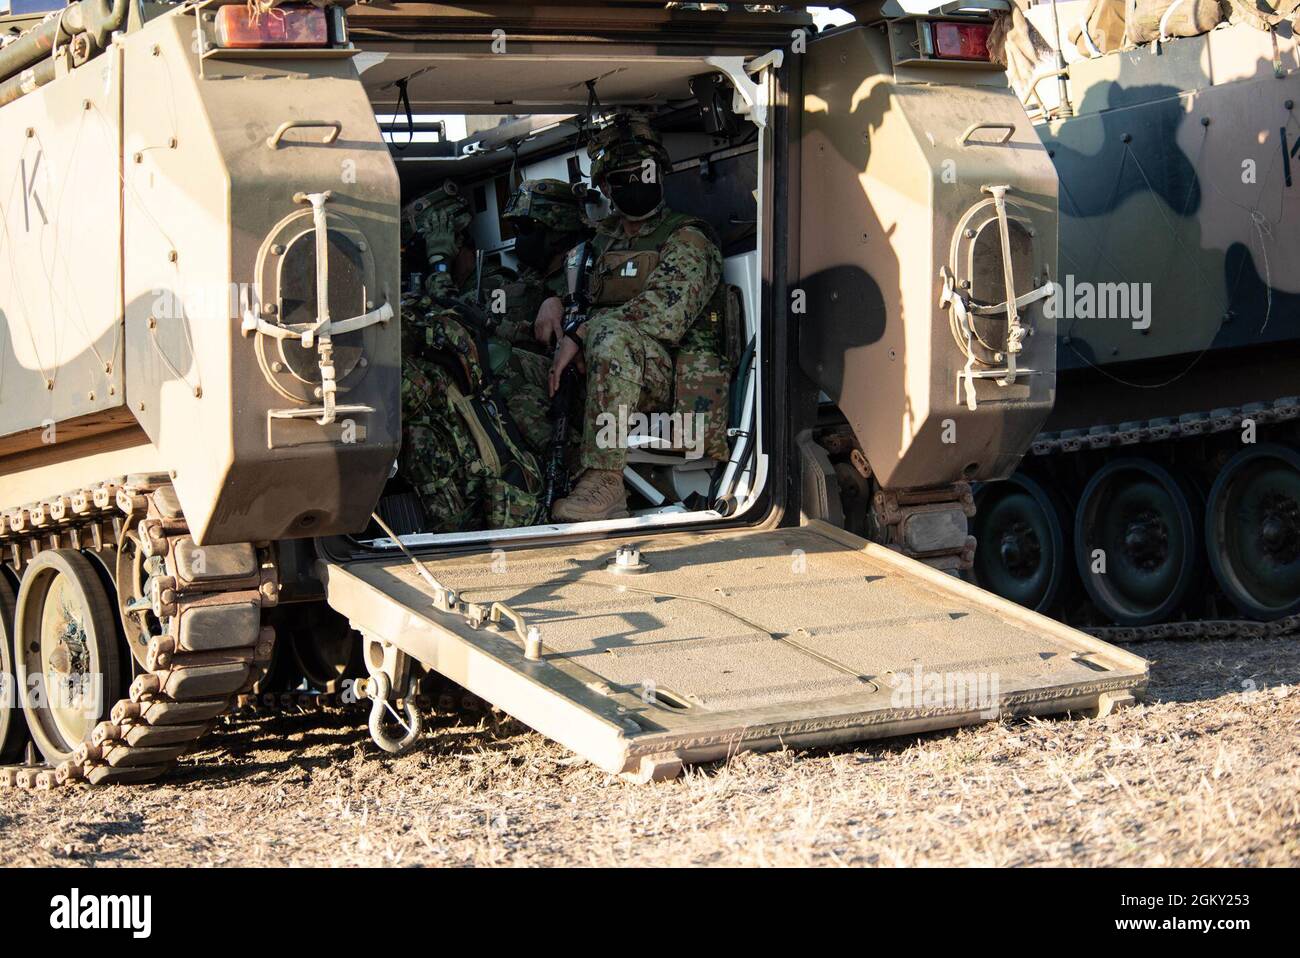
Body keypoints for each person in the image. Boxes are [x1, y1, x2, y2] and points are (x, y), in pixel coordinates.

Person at [540, 115, 727, 523]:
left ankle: (605, 480)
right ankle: (530, 477)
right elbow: (570, 291)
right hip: (604, 367)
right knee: (509, 361)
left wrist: (581, 333)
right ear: (605, 187)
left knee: (609, 334)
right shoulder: (600, 242)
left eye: (647, 173)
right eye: (626, 177)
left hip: (664, 376)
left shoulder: (689, 238)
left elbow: (664, 312)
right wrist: (551, 302)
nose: (639, 183)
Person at [493, 179, 594, 453]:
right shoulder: (527, 280)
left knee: (499, 361)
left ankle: (570, 461)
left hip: (578, 384)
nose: (519, 238)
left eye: (526, 229)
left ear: (558, 230)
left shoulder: (586, 273)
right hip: (547, 384)